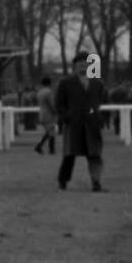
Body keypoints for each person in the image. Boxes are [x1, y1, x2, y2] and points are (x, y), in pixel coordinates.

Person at [55, 53, 106, 192]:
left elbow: (100, 101)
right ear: (75, 66)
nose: (83, 66)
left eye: (86, 63)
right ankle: (63, 181)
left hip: (92, 124)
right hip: (73, 125)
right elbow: (59, 104)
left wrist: (98, 117)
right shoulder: (65, 83)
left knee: (94, 154)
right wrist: (67, 117)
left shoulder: (98, 83)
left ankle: (96, 182)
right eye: (80, 64)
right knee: (69, 155)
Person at [33, 76, 57, 155]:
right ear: (49, 83)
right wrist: (55, 112)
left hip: (42, 114)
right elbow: (51, 104)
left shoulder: (39, 92)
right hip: (48, 115)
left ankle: (40, 146)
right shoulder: (48, 92)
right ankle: (51, 149)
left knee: (48, 132)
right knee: (51, 132)